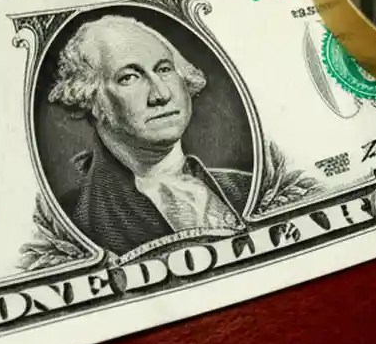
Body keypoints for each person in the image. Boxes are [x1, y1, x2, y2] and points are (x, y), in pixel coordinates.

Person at [47, 14, 251, 255]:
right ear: (90, 98)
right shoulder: (72, 222)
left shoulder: (244, 188)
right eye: (129, 77)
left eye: (164, 69)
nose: (161, 94)